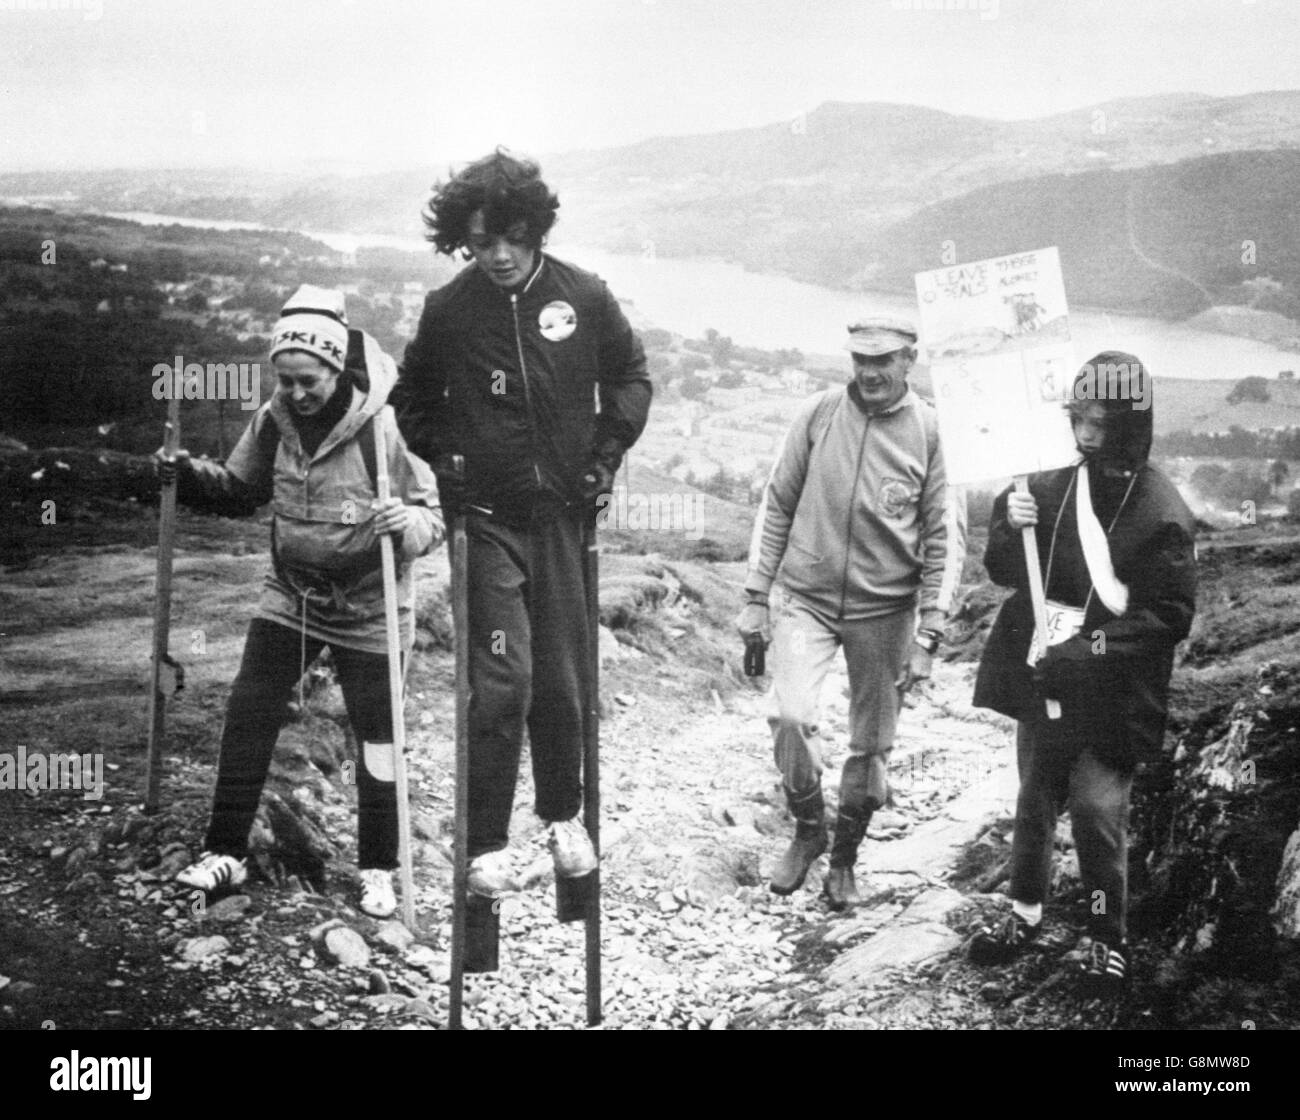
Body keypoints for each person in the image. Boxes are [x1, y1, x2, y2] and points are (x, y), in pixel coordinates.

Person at [392, 149, 651, 896]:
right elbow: (412, 397)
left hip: (563, 519)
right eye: (480, 242)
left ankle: (563, 819)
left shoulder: (584, 296)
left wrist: (604, 453)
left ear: (535, 229)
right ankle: (485, 846)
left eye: (511, 238)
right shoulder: (451, 309)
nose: (498, 256)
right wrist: (447, 457)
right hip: (486, 520)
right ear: (462, 241)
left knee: (563, 683)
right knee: (503, 679)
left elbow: (632, 377)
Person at [166, 284, 442, 919]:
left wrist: (409, 524)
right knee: (250, 711)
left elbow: (434, 518)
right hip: (291, 596)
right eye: (284, 379)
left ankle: (378, 867)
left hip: (371, 609)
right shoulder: (274, 419)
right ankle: (225, 852)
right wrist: (186, 475)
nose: (294, 393)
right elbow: (241, 490)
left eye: (306, 380)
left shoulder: (387, 424)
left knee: (378, 739)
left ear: (336, 367)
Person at [968, 351, 1196, 994]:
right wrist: (1008, 527)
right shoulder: (1044, 482)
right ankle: (1024, 912)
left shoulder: (1162, 511)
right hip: (1045, 667)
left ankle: (1104, 936)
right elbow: (1008, 572)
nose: (1086, 433)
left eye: (1101, 421)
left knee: (1096, 810)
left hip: (1112, 684)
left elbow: (1169, 616)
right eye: (1079, 418)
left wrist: (1086, 652)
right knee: (1034, 797)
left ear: (1130, 423)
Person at [737, 316, 966, 909]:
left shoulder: (933, 433)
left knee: (872, 745)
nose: (869, 372)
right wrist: (756, 595)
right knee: (789, 716)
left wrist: (931, 630)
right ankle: (809, 829)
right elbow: (778, 501)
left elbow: (946, 536)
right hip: (806, 598)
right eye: (860, 360)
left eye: (883, 360)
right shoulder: (818, 414)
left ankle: (845, 859)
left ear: (909, 360)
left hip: (886, 610)